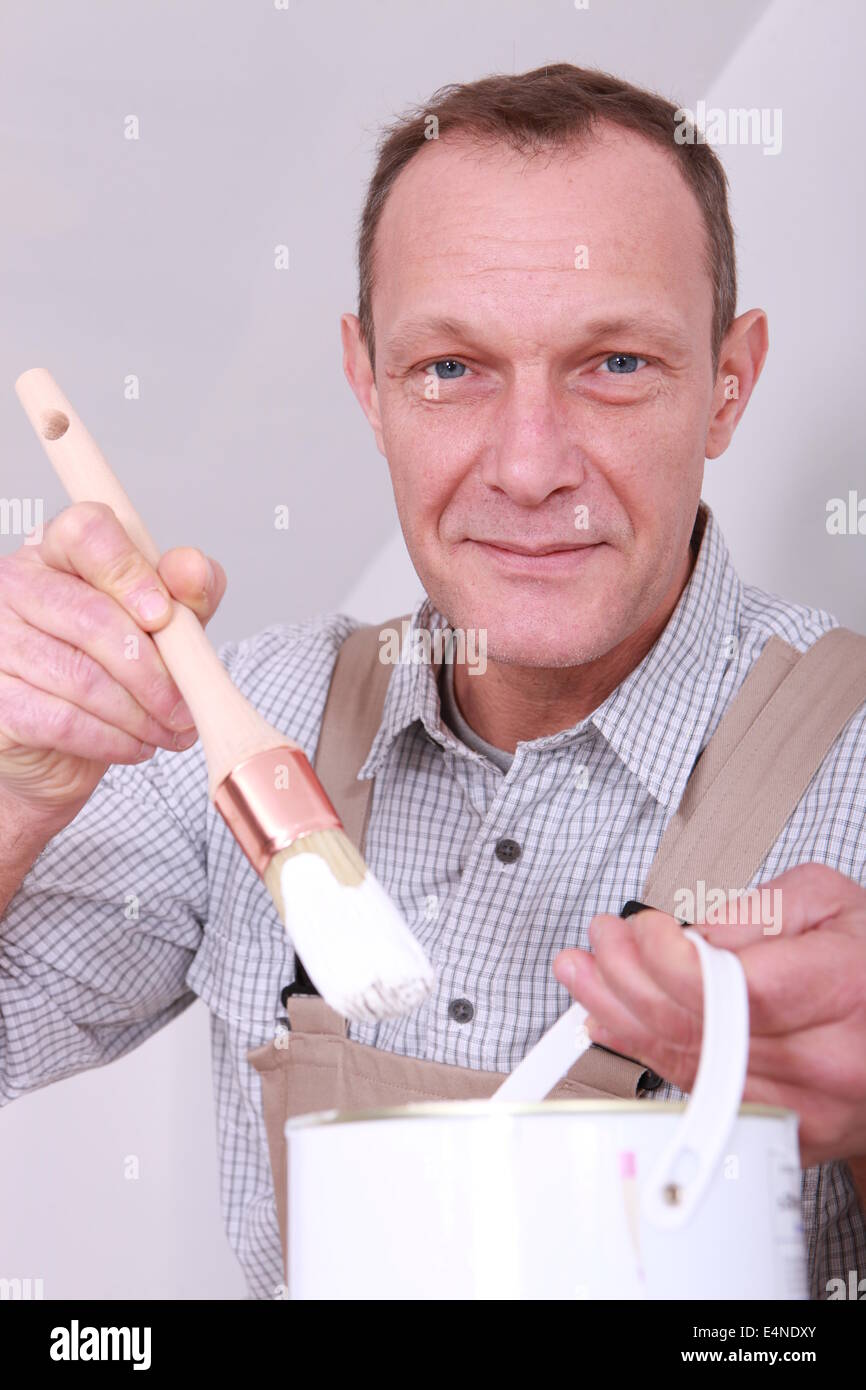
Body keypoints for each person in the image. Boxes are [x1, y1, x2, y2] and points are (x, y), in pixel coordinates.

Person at [1, 63, 863, 1300]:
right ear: (365, 381)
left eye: (614, 362)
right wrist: (16, 800)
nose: (526, 467)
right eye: (450, 368)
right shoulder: (245, 722)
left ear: (729, 382)